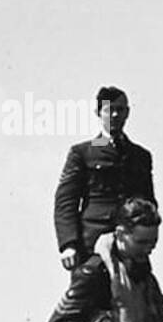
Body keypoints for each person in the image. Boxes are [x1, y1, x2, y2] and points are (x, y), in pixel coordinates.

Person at [53, 86, 155, 269]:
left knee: (142, 295)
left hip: (132, 247)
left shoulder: (140, 156)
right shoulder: (83, 153)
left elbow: (149, 203)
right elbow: (65, 202)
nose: (115, 115)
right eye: (109, 110)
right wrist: (68, 244)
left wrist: (146, 239)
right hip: (92, 247)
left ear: (128, 113)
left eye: (120, 110)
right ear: (98, 113)